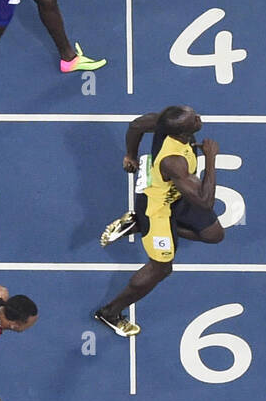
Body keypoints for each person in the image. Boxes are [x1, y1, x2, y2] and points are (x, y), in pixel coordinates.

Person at [93, 106, 223, 337]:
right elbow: (205, 202)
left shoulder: (165, 123)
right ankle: (110, 312)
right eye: (194, 118)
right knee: (161, 268)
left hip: (178, 198)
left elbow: (136, 125)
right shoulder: (173, 160)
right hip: (158, 208)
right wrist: (211, 159)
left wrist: (130, 155)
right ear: (182, 131)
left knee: (214, 235)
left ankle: (138, 224)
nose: (198, 117)